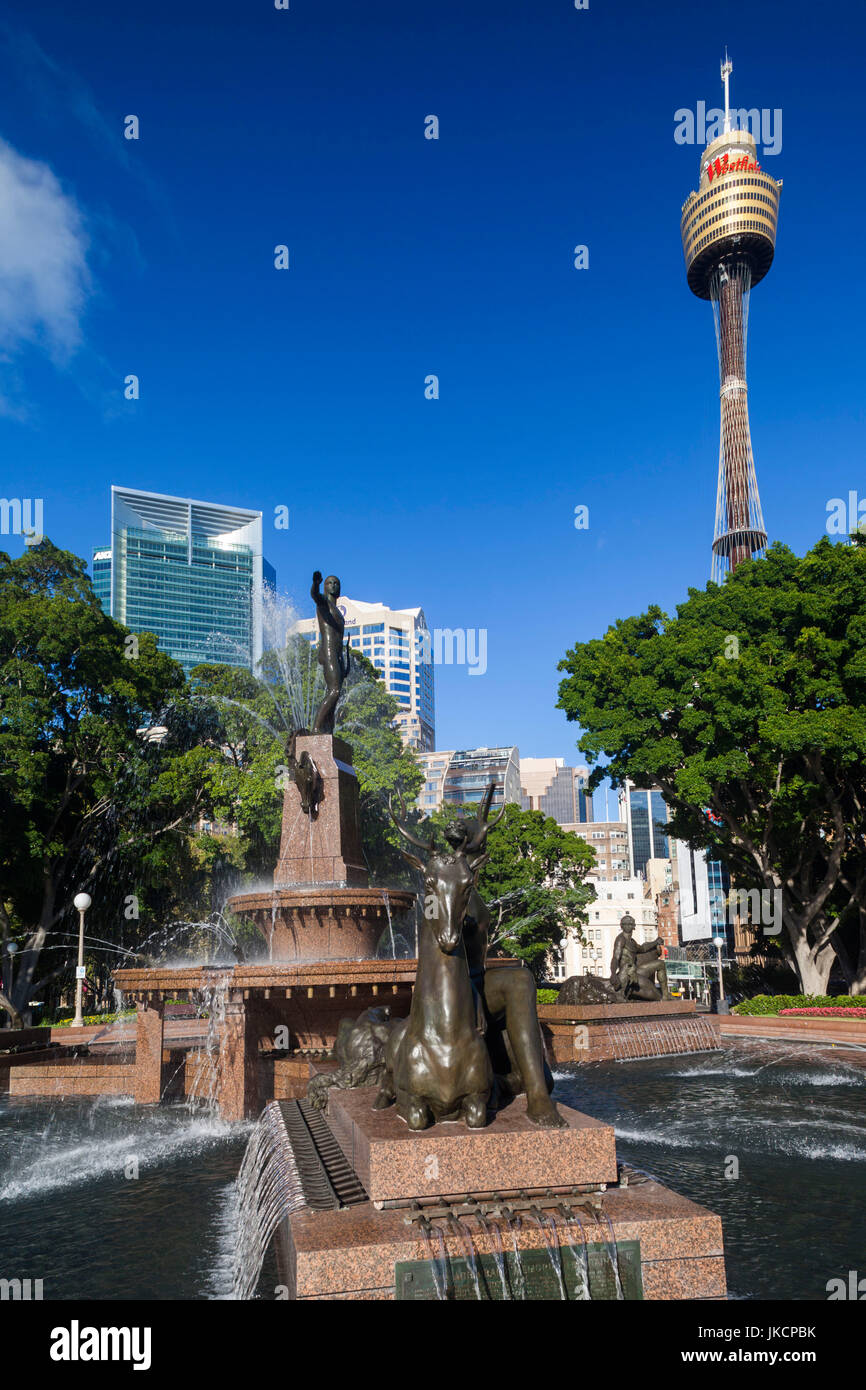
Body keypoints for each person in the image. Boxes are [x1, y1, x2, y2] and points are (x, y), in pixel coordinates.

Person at [310, 571, 349, 734]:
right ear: (325, 587)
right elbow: (314, 595)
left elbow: (339, 637)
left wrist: (343, 661)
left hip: (336, 653)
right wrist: (315, 584)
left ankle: (328, 729)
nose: (333, 585)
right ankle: (317, 728)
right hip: (328, 650)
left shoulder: (338, 611)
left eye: (336, 583)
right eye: (330, 583)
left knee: (334, 694)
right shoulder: (323, 602)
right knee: (335, 691)